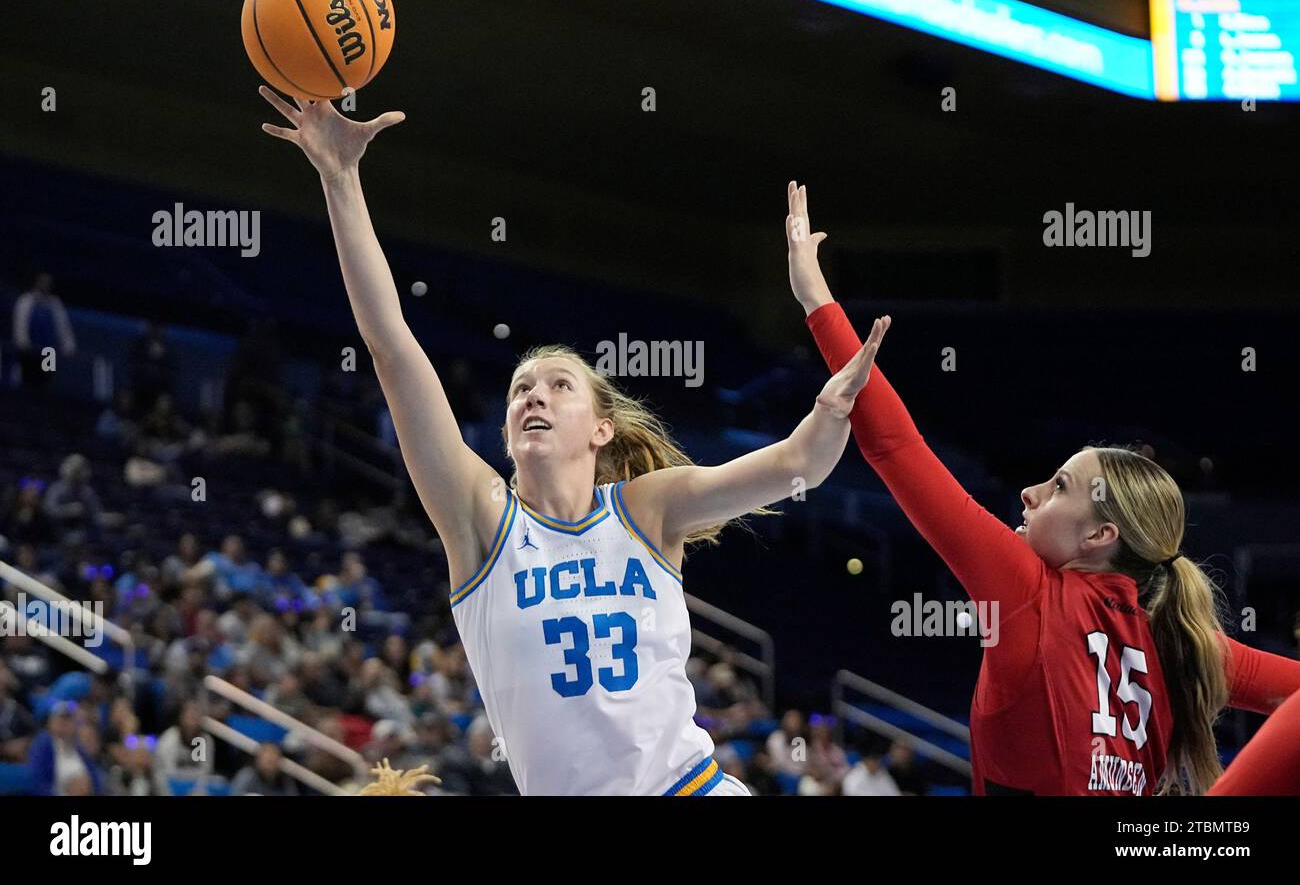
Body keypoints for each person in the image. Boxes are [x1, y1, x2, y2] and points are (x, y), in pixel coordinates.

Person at [258, 86, 886, 795]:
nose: (533, 395)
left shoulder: (648, 508)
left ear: (600, 428)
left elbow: (799, 464)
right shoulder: (481, 520)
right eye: (521, 389)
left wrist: (832, 409)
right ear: (504, 432)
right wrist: (340, 179)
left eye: (558, 385)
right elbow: (393, 351)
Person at [785, 179, 1300, 795]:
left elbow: (895, 447)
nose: (1028, 493)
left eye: (1058, 487)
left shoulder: (1025, 588)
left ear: (1100, 535)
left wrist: (815, 296)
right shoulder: (1184, 638)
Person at [11, 272, 76, 390]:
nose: (45, 285)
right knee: (27, 379)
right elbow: (20, 322)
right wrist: (22, 343)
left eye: (48, 282)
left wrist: (68, 345)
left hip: (48, 351)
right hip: (30, 350)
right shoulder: (26, 300)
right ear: (36, 282)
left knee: (46, 381)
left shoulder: (55, 303)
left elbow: (63, 326)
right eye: (42, 281)